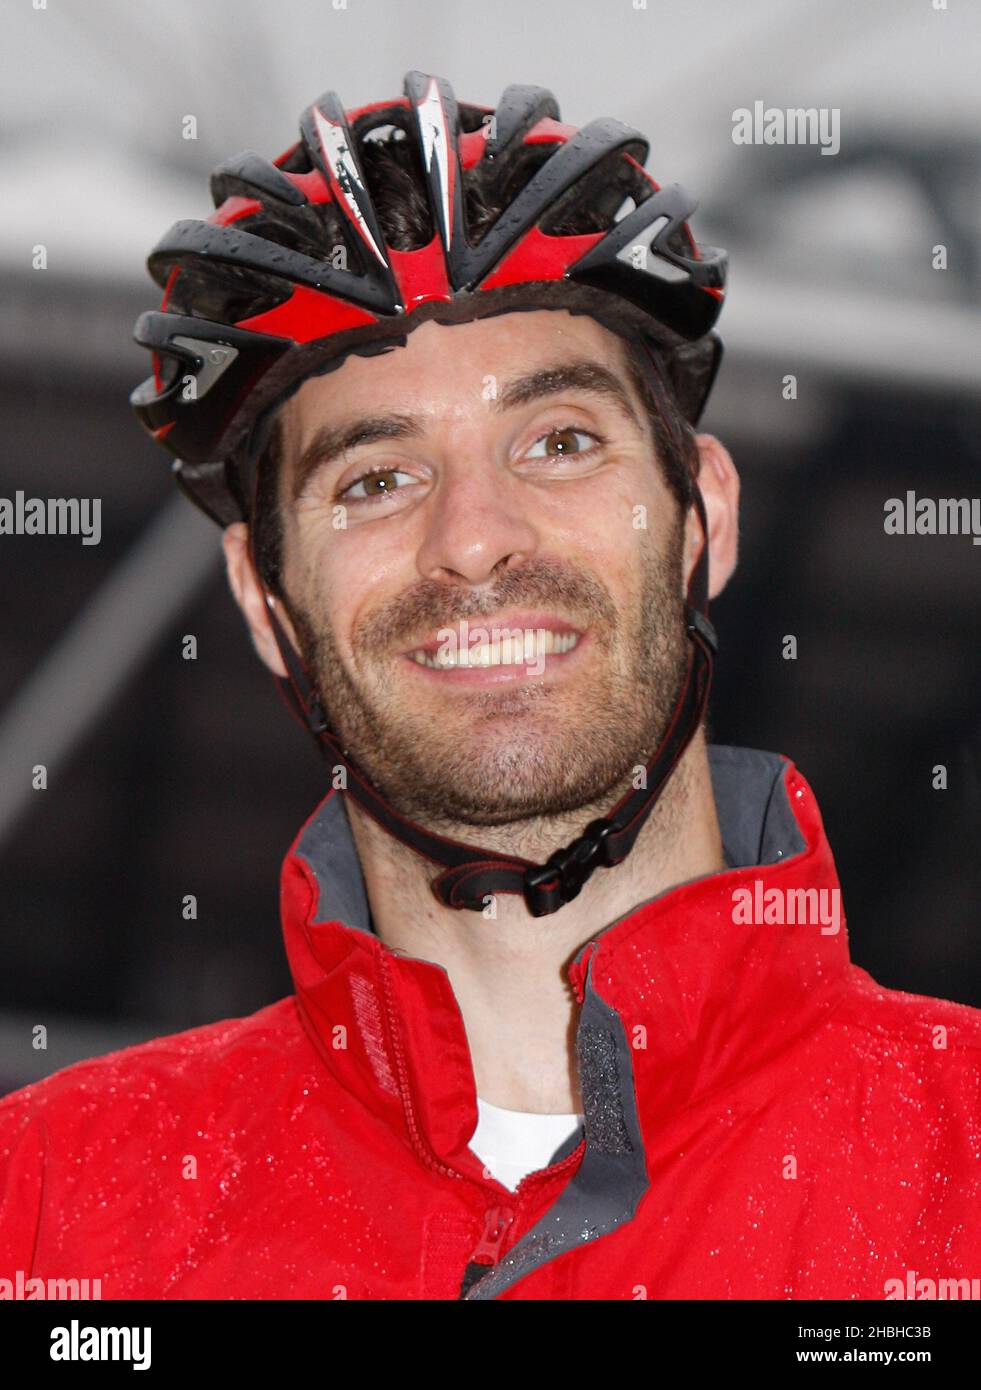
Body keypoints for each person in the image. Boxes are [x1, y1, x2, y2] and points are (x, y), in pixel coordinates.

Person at [1, 71, 978, 1303]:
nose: (474, 537)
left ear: (704, 518)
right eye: (375, 479)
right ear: (265, 601)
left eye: (560, 442)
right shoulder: (43, 1213)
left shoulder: (966, 1161)